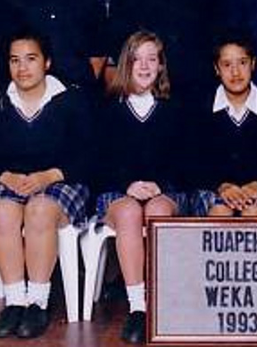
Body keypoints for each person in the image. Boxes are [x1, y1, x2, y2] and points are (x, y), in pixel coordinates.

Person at [0, 29, 94, 339]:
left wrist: (48, 176)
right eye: (14, 60)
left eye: (30, 59)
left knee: (39, 210)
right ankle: (14, 302)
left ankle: (37, 303)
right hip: (11, 180)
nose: (22, 68)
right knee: (0, 210)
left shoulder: (71, 100)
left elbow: (90, 156)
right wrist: (3, 176)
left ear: (47, 62)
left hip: (61, 180)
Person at [93, 32, 187, 344]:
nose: (144, 66)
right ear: (126, 64)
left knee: (158, 209)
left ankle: (159, 304)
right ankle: (138, 308)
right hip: (119, 192)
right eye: (137, 59)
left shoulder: (174, 111)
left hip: (164, 190)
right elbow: (98, 163)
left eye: (152, 58)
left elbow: (185, 162)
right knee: (131, 212)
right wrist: (127, 185)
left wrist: (160, 184)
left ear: (161, 66)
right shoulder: (108, 111)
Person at [187, 33, 257, 218]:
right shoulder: (200, 110)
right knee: (220, 211)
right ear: (216, 69)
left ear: (253, 64)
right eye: (227, 65)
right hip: (214, 189)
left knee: (253, 212)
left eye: (242, 63)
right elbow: (193, 162)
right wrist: (222, 186)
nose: (235, 72)